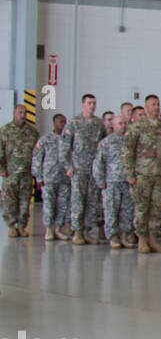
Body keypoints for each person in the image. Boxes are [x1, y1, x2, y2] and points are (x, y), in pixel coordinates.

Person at [123, 95, 161, 253]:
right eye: (153, 104)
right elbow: (127, 151)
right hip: (142, 174)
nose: (156, 107)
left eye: (158, 104)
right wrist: (130, 174)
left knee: (158, 208)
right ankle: (142, 240)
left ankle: (153, 239)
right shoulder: (137, 127)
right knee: (142, 208)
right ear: (146, 107)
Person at [64, 93, 106, 245]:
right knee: (77, 200)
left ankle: (87, 231)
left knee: (91, 201)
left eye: (94, 103)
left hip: (93, 169)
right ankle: (77, 232)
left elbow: (102, 145)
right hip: (78, 168)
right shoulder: (73, 123)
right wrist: (68, 166)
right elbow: (65, 147)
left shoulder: (98, 124)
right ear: (83, 104)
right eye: (89, 103)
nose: (92, 106)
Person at [93, 114, 134, 249]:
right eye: (120, 124)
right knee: (111, 210)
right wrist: (100, 180)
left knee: (126, 210)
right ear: (113, 125)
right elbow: (98, 163)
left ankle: (124, 234)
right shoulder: (106, 142)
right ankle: (113, 236)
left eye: (124, 123)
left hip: (127, 181)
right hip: (111, 182)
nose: (123, 126)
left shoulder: (130, 142)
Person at [0, 105, 39, 237]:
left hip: (26, 173)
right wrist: (2, 169)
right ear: (14, 113)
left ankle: (22, 226)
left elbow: (38, 153)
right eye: (20, 112)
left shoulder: (32, 132)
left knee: (25, 200)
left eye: (25, 112)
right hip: (10, 173)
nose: (23, 115)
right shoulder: (4, 130)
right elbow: (0, 151)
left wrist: (36, 171)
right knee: (9, 200)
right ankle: (11, 226)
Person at [33, 113, 72, 241]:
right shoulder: (45, 139)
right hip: (49, 178)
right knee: (49, 204)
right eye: (61, 122)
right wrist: (38, 177)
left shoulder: (68, 139)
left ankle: (58, 229)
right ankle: (49, 229)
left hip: (64, 179)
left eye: (65, 122)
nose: (63, 124)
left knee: (62, 205)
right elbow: (37, 158)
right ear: (54, 123)